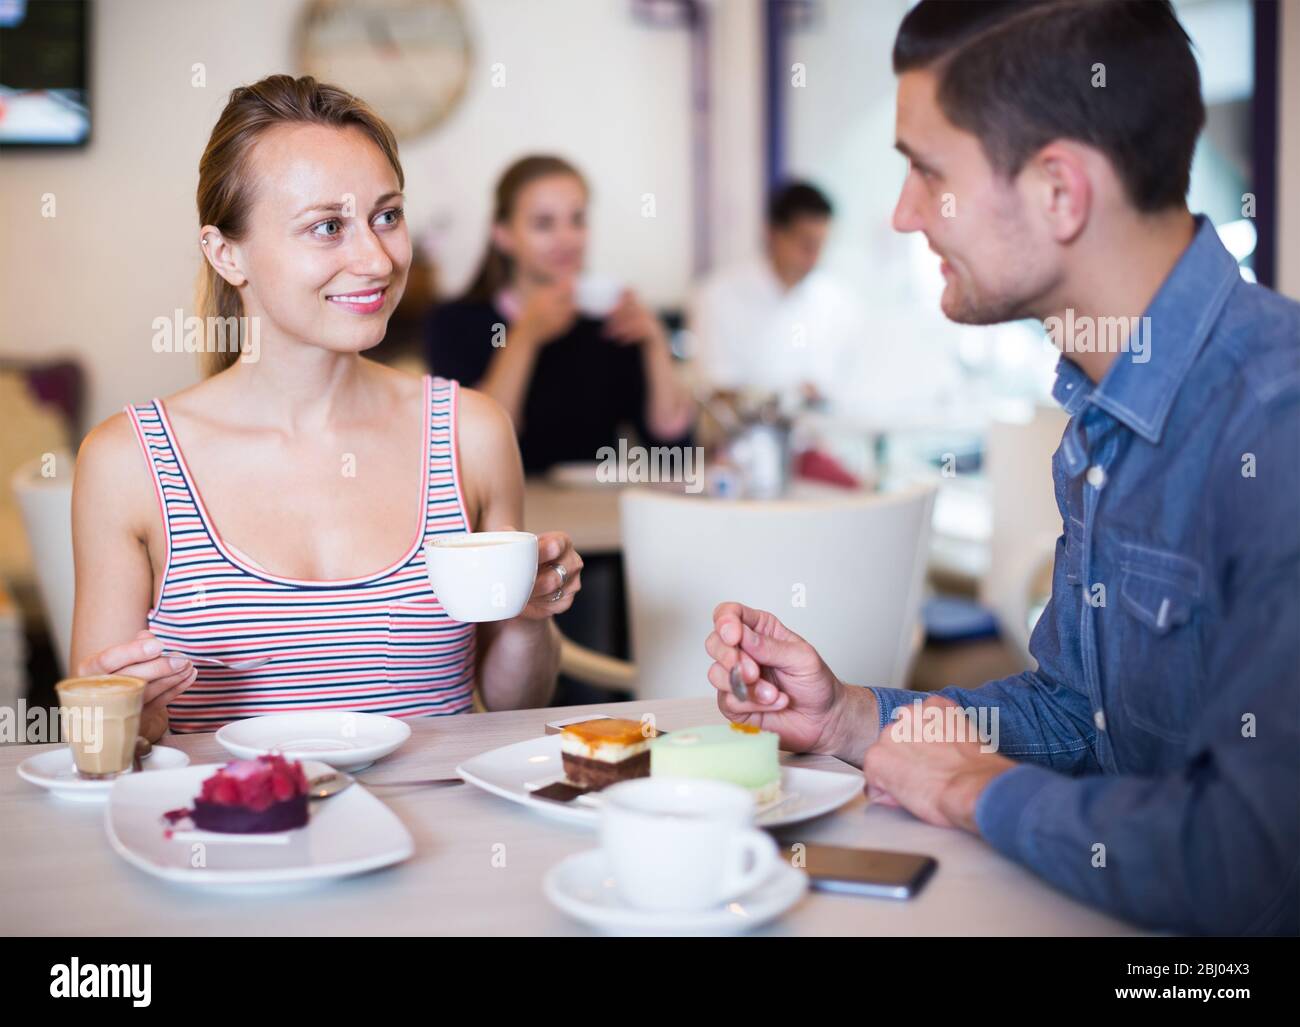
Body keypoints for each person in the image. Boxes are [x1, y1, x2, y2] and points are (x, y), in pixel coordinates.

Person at [705, 0, 1299, 935]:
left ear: (1060, 192)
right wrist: (856, 719)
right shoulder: (1103, 405)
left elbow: (1252, 855)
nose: (903, 214)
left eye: (927, 172)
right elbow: (1078, 716)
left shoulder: (1277, 419)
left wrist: (977, 791)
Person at [70, 76, 583, 741]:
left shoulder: (471, 431)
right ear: (227, 253)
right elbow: (95, 741)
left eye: (387, 215)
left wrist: (530, 616)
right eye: (327, 227)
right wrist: (130, 719)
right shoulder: (127, 461)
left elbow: (512, 705)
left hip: (444, 839)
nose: (375, 259)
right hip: (229, 839)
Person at [425, 155, 695, 474]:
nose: (566, 238)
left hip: (590, 515)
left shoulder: (609, 324)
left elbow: (673, 453)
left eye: (577, 220)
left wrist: (654, 344)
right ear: (503, 235)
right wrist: (525, 337)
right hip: (505, 518)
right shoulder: (455, 323)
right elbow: (476, 451)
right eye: (544, 224)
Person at [687, 181, 868, 411]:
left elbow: (849, 387)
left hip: (823, 440)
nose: (814, 257)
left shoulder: (839, 302)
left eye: (821, 245)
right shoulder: (718, 296)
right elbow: (714, 391)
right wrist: (784, 398)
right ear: (772, 233)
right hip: (745, 442)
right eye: (806, 244)